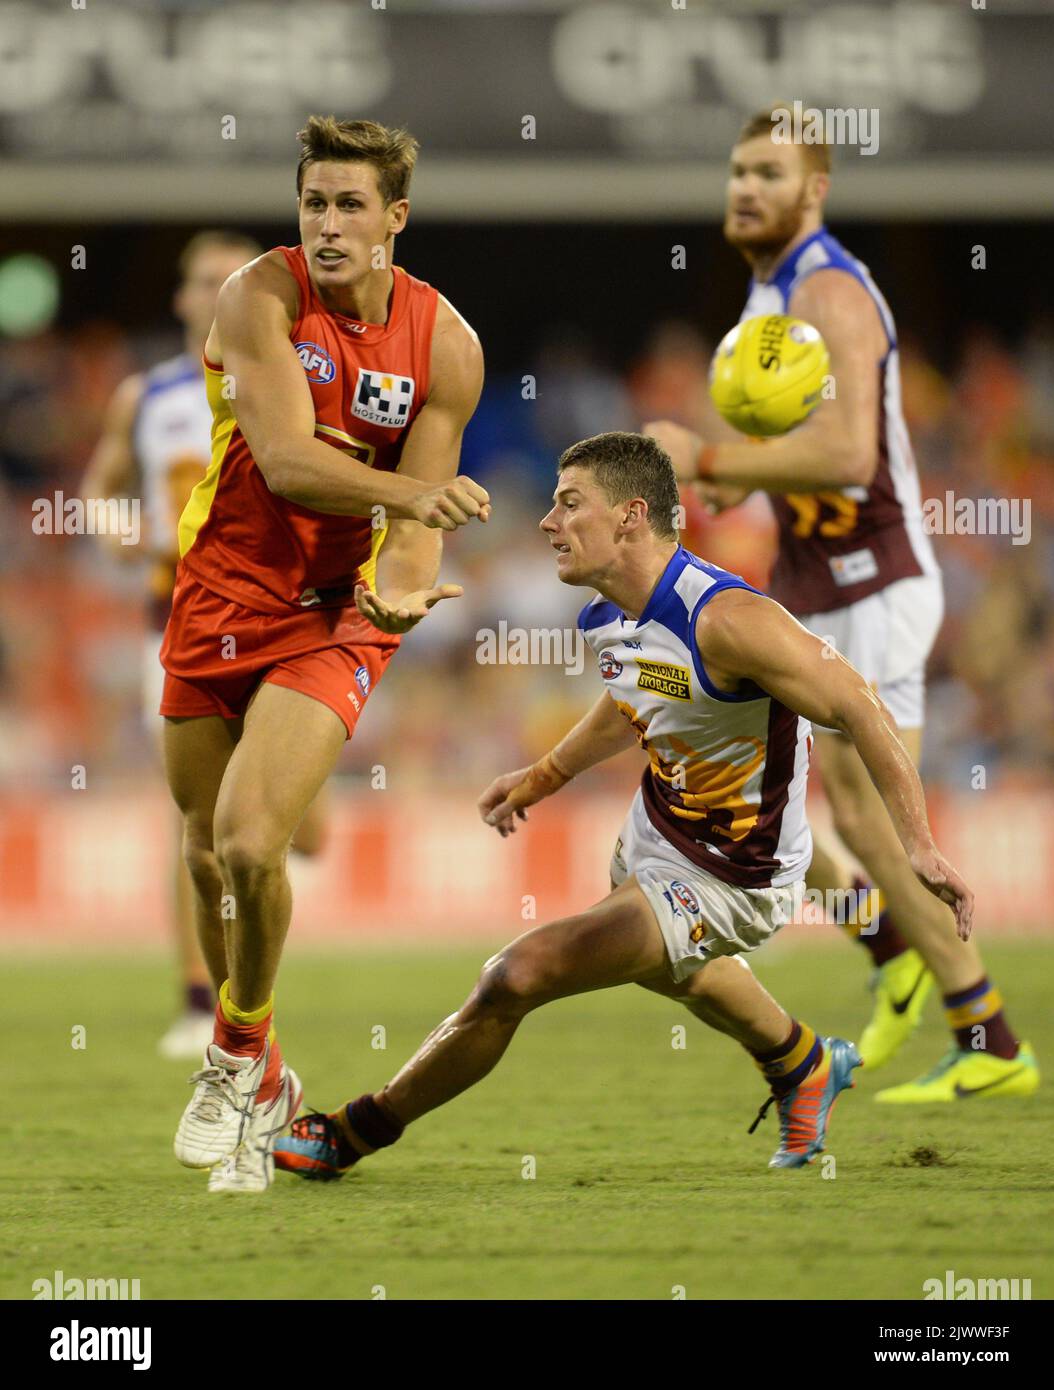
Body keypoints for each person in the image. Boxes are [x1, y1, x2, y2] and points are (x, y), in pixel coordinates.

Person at [272, 431, 972, 1184]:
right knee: (677, 969)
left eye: (569, 504)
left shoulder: (729, 619)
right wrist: (543, 775)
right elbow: (634, 694)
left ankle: (354, 1131)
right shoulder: (609, 611)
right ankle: (802, 1062)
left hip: (734, 876)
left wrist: (918, 844)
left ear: (632, 516)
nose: (548, 521)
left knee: (516, 976)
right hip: (654, 832)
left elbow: (860, 705)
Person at [645, 106, 1037, 1103]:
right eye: (738, 171)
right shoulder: (769, 289)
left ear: (815, 190)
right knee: (779, 790)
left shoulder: (827, 288)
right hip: (816, 579)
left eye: (770, 174)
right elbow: (802, 443)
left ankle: (982, 1030)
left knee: (866, 814)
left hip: (873, 579)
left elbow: (853, 453)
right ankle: (895, 954)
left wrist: (708, 458)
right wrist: (742, 481)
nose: (746, 189)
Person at [164, 116, 490, 1193]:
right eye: (315, 203)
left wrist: (399, 592)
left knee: (251, 842)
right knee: (205, 854)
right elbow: (289, 462)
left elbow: (422, 524)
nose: (329, 224)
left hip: (333, 612)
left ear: (396, 217)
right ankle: (268, 1080)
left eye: (352, 205)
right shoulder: (256, 296)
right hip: (216, 593)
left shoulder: (446, 345)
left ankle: (233, 1055)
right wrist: (411, 499)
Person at [80, 230, 336, 1061]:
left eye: (233, 279)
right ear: (184, 296)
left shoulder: (294, 377)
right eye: (203, 280)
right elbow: (101, 487)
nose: (217, 292)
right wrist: (116, 528)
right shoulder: (148, 395)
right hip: (180, 616)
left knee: (300, 830)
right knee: (194, 821)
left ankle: (249, 926)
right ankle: (204, 1000)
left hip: (286, 618)